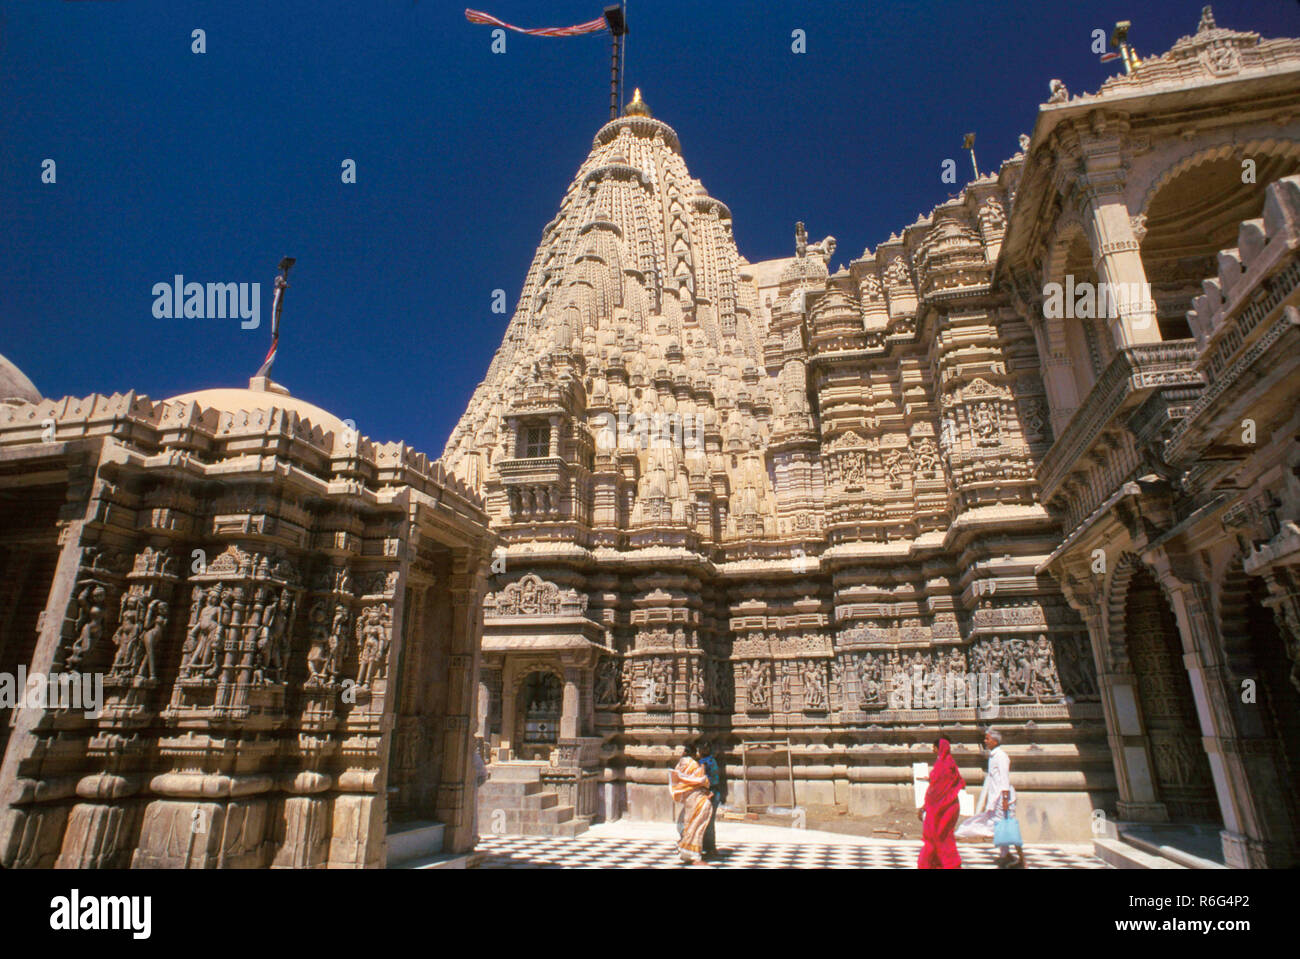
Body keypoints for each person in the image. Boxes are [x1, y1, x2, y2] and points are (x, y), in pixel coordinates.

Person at [976, 727, 1024, 868]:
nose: (985, 741)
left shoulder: (1001, 756)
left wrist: (1004, 799)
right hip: (996, 798)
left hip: (1003, 798)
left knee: (1008, 828)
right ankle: (1005, 855)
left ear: (995, 741)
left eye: (987, 739)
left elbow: (1004, 778)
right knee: (1000, 827)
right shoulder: (993, 756)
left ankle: (1021, 858)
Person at [917, 737, 965, 869]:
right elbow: (956, 783)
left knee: (935, 837)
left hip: (940, 808)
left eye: (934, 747)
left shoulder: (941, 766)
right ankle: (946, 864)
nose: (933, 750)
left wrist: (924, 807)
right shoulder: (950, 763)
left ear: (940, 748)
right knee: (944, 836)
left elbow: (935, 791)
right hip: (951, 806)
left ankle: (945, 865)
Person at [668, 743, 714, 864]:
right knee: (696, 823)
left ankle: (686, 852)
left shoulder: (680, 764)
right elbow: (702, 780)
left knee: (690, 822)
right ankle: (694, 856)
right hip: (696, 795)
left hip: (689, 797)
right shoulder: (693, 764)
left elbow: (679, 779)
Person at [699, 742, 724, 858]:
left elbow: (703, 779)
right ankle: (709, 847)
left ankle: (709, 848)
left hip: (709, 793)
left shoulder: (703, 763)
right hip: (714, 792)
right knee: (709, 821)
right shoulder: (712, 760)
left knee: (707, 822)